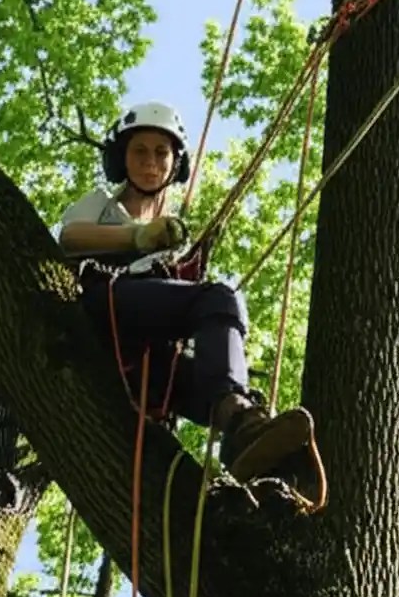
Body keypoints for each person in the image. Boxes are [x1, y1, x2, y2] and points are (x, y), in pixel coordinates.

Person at [57, 100, 314, 482]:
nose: (150, 161)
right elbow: (69, 237)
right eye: (139, 151)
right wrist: (138, 236)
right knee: (218, 297)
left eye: (161, 152)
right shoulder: (102, 206)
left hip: (152, 352)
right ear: (120, 160)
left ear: (175, 164)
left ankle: (256, 448)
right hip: (107, 308)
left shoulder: (172, 243)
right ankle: (239, 419)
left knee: (209, 384)